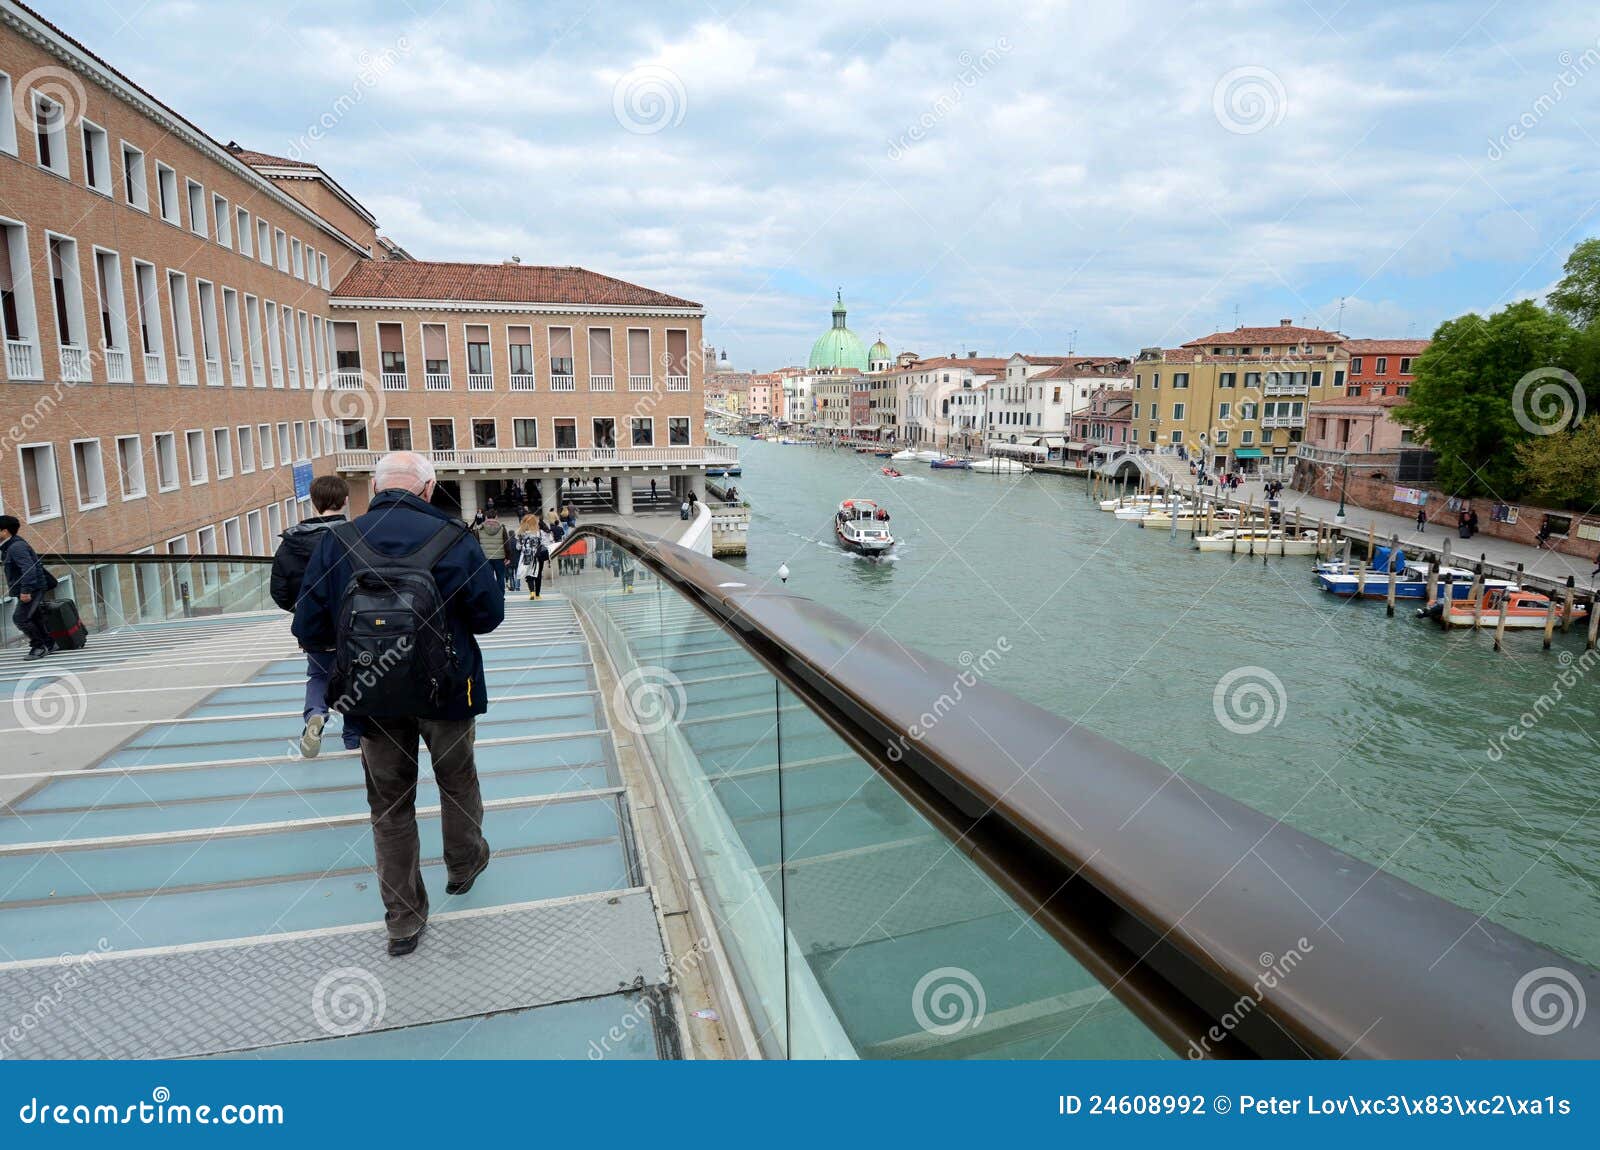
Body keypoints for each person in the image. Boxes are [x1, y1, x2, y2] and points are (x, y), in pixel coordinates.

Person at [293, 451, 504, 957]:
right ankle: (463, 865)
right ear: (428, 490)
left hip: (371, 698)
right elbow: (488, 615)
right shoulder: (454, 538)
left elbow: (308, 626)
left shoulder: (338, 542)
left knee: (389, 807)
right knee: (457, 782)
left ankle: (404, 922)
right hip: (448, 693)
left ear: (375, 487)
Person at [271, 474, 363, 757]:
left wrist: (301, 609)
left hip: (313, 627)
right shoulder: (355, 536)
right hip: (351, 623)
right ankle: (353, 737)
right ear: (346, 501)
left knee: (318, 675)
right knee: (354, 677)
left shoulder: (291, 542)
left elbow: (279, 590)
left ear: (313, 502)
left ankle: (316, 712)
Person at [0, 515, 55, 660]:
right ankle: (49, 644)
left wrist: (26, 591)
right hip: (30, 587)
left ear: (4, 532)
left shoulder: (16, 547)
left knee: (20, 618)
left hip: (32, 588)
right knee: (35, 617)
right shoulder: (10, 546)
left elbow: (29, 569)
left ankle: (38, 647)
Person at [472, 507, 510, 593]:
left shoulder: (479, 529)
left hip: (485, 558)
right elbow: (506, 544)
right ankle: (501, 595)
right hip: (500, 558)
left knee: (488, 578)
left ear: (486, 517)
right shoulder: (502, 528)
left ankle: (491, 596)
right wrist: (508, 557)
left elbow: (476, 545)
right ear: (496, 517)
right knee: (500, 577)